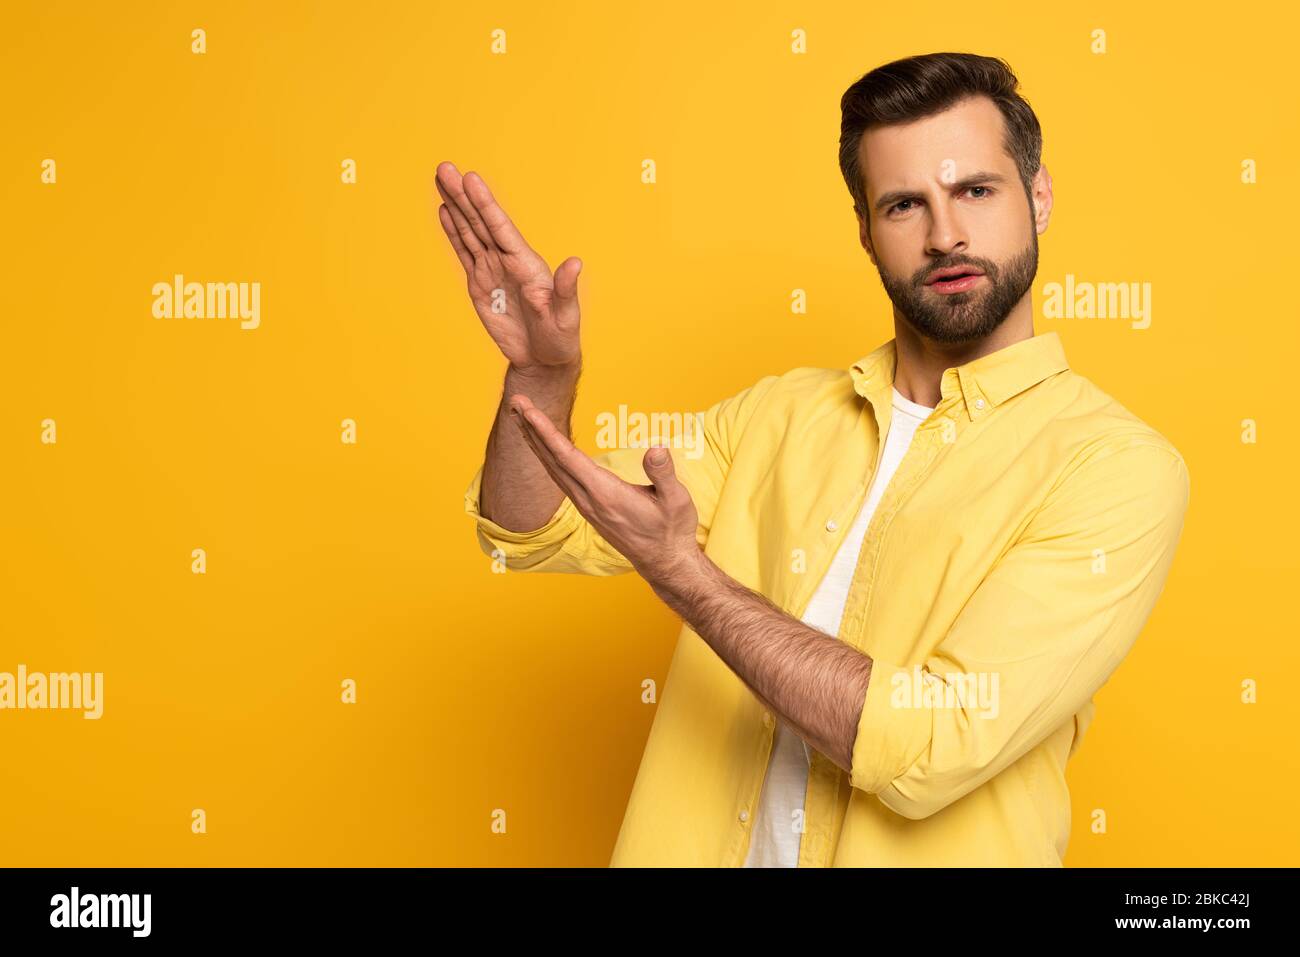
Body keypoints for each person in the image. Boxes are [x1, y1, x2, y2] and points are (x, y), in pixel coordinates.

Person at [442, 51, 1190, 867]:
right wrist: (543, 380)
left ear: (1038, 196)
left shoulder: (1114, 468)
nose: (947, 235)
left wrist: (686, 575)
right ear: (867, 233)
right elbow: (527, 531)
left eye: (976, 190)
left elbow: (932, 744)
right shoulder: (779, 414)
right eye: (905, 204)